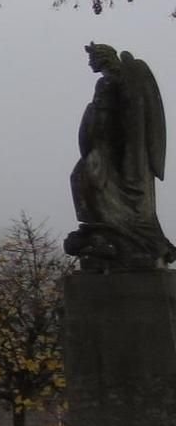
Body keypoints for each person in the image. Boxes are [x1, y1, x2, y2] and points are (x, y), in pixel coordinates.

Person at [66, 43, 176, 271]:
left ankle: (112, 233)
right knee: (86, 181)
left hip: (106, 149)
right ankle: (110, 232)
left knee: (84, 180)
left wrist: (94, 141)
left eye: (92, 58)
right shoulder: (123, 80)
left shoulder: (107, 83)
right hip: (116, 150)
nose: (89, 63)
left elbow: (102, 118)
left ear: (102, 58)